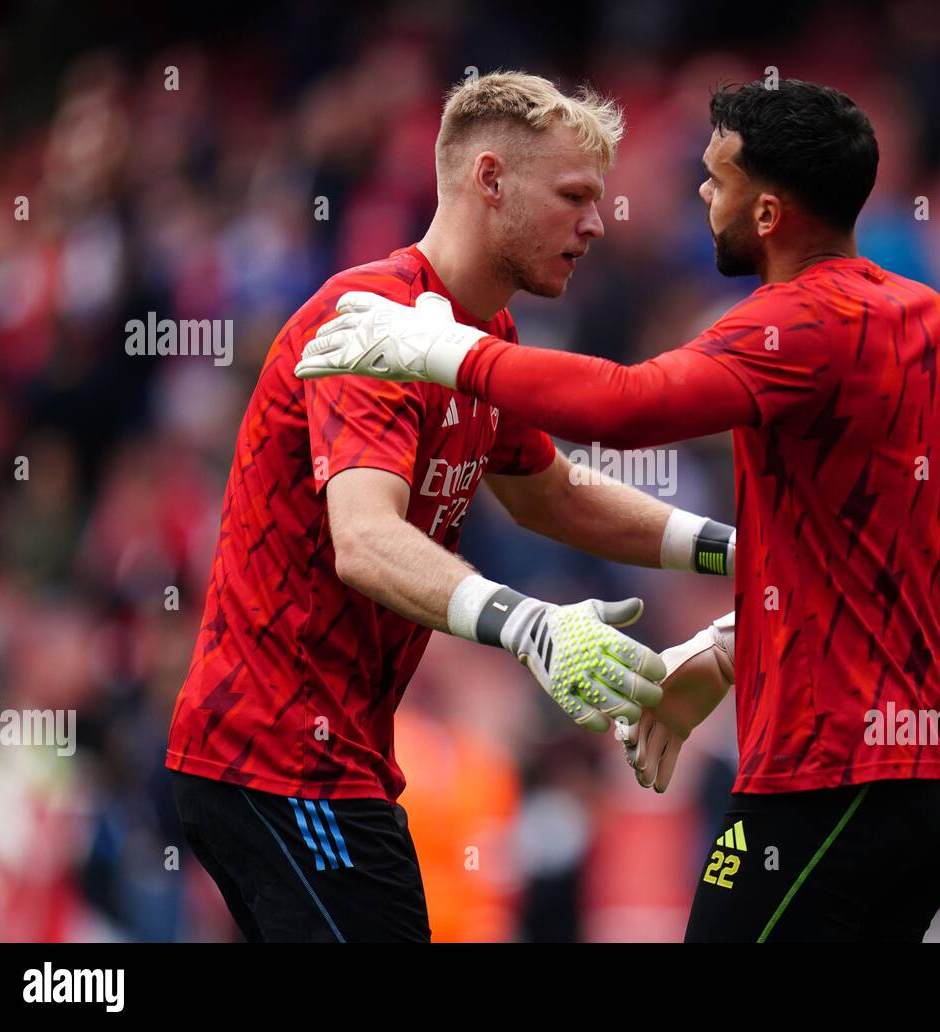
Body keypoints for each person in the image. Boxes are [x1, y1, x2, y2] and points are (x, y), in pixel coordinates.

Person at [297, 78, 940, 942]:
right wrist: (722, 649)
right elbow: (878, 567)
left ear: (770, 213)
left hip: (839, 774)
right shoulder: (923, 318)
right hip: (934, 775)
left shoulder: (801, 323)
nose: (702, 193)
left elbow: (625, 406)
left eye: (718, 179)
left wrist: (441, 348)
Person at [166, 72, 736, 943]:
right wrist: (527, 625)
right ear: (491, 179)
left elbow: (556, 496)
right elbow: (363, 540)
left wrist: (739, 552)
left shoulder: (482, 342)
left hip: (333, 761)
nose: (595, 223)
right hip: (276, 760)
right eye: (575, 195)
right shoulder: (371, 322)